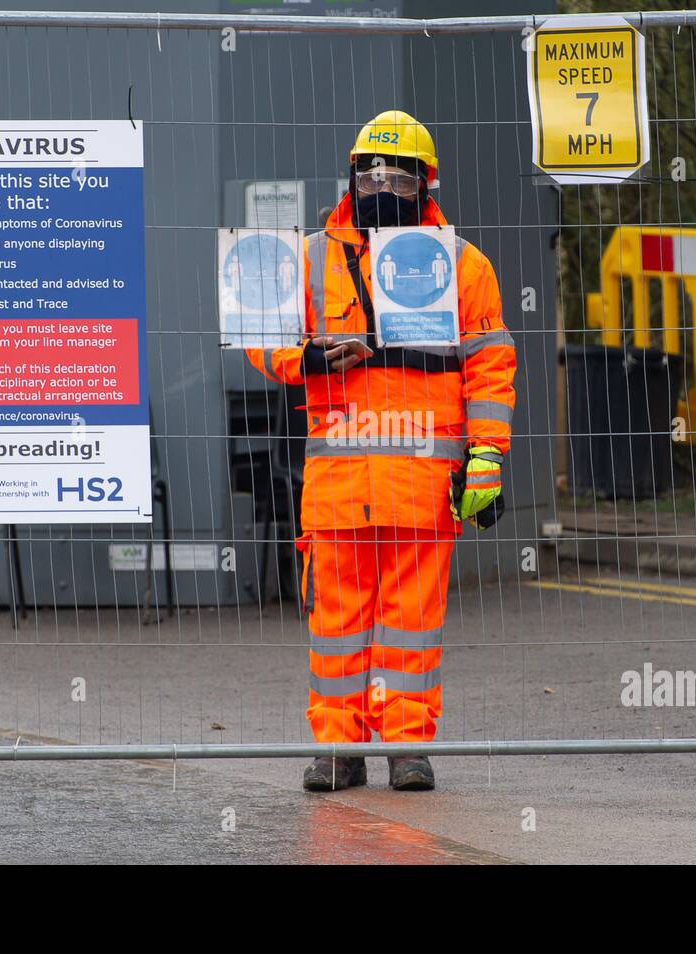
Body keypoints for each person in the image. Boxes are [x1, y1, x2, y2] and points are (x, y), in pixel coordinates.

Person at [245, 110, 517, 791]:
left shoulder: (464, 265)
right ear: (350, 177)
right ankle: (337, 750)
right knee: (336, 620)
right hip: (340, 482)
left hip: (424, 484)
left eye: (397, 173)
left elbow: (490, 367)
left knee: (412, 621)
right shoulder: (309, 258)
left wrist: (486, 457)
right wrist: (303, 355)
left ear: (427, 182)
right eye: (369, 171)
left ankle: (406, 748)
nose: (380, 183)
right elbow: (258, 331)